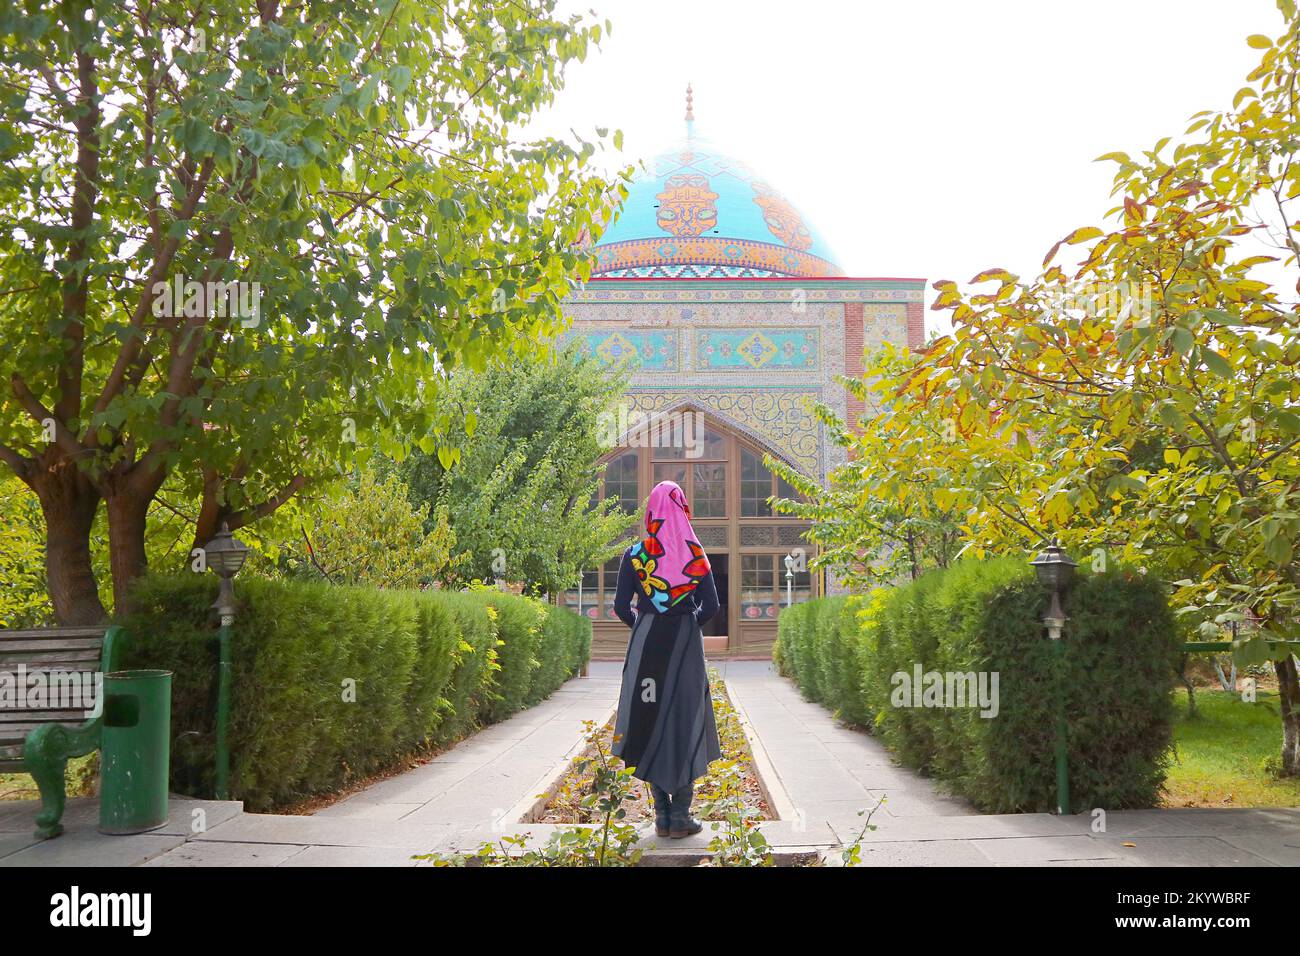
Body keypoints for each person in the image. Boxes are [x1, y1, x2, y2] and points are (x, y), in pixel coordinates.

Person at [611, 479, 723, 838]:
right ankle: (681, 816)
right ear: (682, 508)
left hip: (647, 646)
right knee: (687, 715)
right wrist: (687, 625)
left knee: (647, 715)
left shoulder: (634, 555)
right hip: (686, 646)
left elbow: (619, 607)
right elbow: (712, 607)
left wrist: (644, 625)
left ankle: (661, 816)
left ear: (651, 512)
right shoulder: (695, 554)